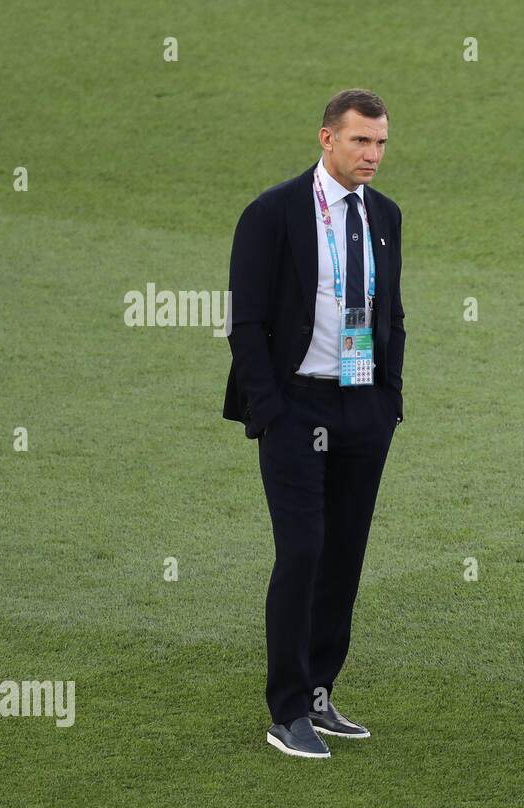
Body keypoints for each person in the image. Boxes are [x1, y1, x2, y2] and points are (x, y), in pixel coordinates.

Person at [223, 89, 406, 758]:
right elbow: (245, 323)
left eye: (381, 142)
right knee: (301, 552)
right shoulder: (273, 213)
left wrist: (389, 397)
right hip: (296, 407)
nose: (373, 155)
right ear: (326, 139)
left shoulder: (384, 215)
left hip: (362, 405)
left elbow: (393, 313)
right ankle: (287, 709)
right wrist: (270, 411)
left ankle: (322, 695)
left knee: (344, 556)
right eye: (361, 141)